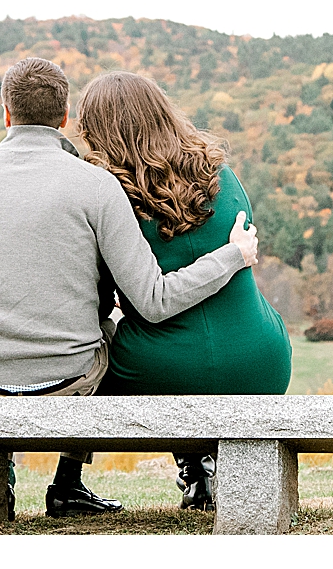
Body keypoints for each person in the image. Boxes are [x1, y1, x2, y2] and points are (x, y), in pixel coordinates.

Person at [0, 57, 259, 519]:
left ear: (5, 113)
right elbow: (153, 301)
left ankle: (2, 477)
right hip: (70, 382)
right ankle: (78, 482)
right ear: (64, 117)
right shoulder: (97, 185)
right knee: (109, 333)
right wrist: (232, 255)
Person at [78, 71, 293, 511]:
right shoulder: (224, 178)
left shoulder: (111, 200)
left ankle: (69, 480)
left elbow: (114, 296)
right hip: (261, 364)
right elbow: (242, 247)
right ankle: (198, 470)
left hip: (158, 369)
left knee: (93, 351)